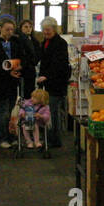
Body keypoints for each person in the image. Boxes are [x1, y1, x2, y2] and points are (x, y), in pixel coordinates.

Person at [0, 17, 25, 148]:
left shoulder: (16, 43)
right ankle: (3, 137)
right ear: (0, 29)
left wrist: (19, 67)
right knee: (3, 112)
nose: (9, 32)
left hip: (13, 83)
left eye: (11, 30)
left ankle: (12, 135)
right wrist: (8, 71)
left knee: (12, 111)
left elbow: (23, 57)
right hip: (0, 82)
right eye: (7, 29)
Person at [37, 16, 72, 149]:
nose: (46, 32)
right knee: (48, 110)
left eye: (48, 30)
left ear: (54, 29)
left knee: (53, 112)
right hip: (47, 83)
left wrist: (47, 76)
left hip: (56, 83)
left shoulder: (60, 43)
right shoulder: (45, 42)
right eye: (44, 30)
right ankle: (49, 136)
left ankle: (54, 139)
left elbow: (59, 64)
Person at [14, 88, 52, 155]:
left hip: (39, 122)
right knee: (25, 126)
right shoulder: (27, 103)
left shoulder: (45, 107)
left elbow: (47, 115)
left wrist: (40, 116)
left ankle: (36, 141)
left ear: (40, 100)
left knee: (35, 125)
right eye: (32, 97)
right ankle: (29, 141)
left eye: (34, 98)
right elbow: (22, 109)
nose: (32, 99)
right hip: (27, 120)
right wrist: (22, 114)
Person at [18, 18, 41, 96]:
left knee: (31, 92)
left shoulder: (34, 41)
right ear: (21, 28)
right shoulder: (19, 40)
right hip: (23, 70)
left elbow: (38, 54)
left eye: (30, 27)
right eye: (26, 27)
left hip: (32, 69)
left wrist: (34, 61)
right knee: (24, 93)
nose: (28, 29)